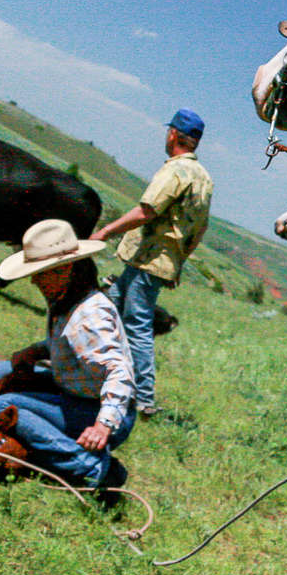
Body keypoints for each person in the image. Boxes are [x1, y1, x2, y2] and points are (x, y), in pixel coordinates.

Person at [0, 219, 136, 489]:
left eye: (41, 273)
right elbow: (71, 341)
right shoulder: (68, 298)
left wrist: (103, 425)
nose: (34, 280)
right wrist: (35, 351)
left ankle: (91, 468)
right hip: (76, 390)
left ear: (65, 269)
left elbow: (119, 371)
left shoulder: (90, 316)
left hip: (99, 409)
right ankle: (51, 440)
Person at [91, 109, 214, 417]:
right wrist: (179, 262)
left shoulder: (175, 171)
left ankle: (143, 399)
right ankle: (91, 367)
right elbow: (199, 229)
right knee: (107, 305)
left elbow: (146, 212)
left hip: (147, 259)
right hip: (161, 261)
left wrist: (105, 231)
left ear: (173, 135)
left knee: (137, 327)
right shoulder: (203, 178)